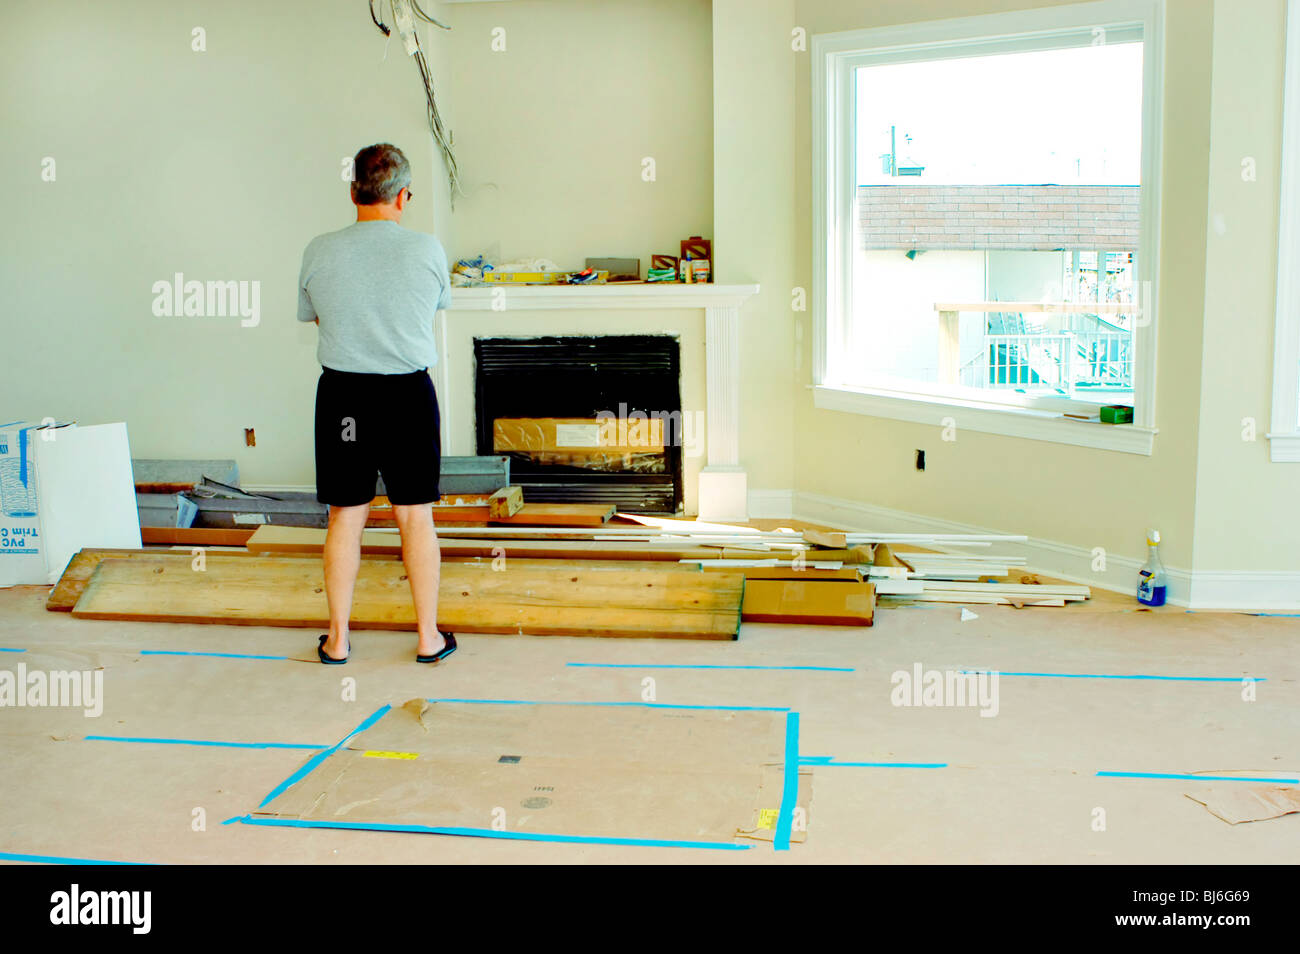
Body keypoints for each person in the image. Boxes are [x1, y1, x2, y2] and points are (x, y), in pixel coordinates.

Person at [297, 143, 455, 666]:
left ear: (353, 192)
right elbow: (424, 311)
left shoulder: (319, 249)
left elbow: (320, 316)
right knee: (416, 518)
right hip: (407, 396)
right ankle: (428, 638)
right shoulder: (428, 249)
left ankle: (338, 641)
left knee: (346, 516)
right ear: (403, 196)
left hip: (345, 397)